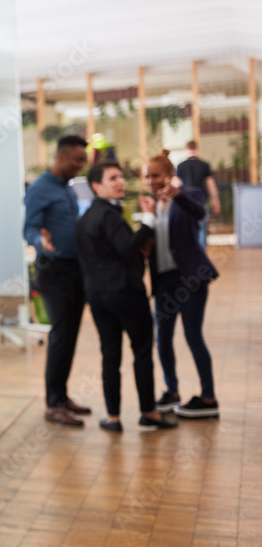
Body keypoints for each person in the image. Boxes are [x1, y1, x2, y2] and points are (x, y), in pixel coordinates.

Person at [76, 162, 177, 431]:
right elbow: (127, 245)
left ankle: (113, 417)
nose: (120, 182)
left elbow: (109, 253)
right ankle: (149, 413)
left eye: (120, 177)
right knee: (142, 352)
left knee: (110, 355)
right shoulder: (109, 215)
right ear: (97, 186)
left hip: (98, 297)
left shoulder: (86, 217)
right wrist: (148, 218)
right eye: (113, 178)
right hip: (126, 294)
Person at [144, 152, 220, 418]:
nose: (150, 181)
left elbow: (199, 213)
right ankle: (171, 391)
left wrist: (178, 195)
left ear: (168, 175)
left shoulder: (188, 193)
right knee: (162, 338)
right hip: (164, 280)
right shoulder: (153, 205)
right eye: (147, 176)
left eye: (155, 175)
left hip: (189, 278)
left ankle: (209, 397)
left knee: (192, 335)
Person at [23, 134, 92, 426]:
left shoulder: (66, 187)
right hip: (54, 270)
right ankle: (53, 404)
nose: (81, 166)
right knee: (61, 335)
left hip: (75, 269)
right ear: (61, 157)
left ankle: (62, 396)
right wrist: (41, 239)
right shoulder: (40, 188)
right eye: (77, 160)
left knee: (70, 334)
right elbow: (28, 229)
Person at [175, 140, 221, 248]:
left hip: (186, 202)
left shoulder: (180, 166)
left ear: (186, 150)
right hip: (201, 201)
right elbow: (210, 184)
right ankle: (202, 253)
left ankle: (190, 251)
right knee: (202, 227)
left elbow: (176, 184)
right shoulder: (204, 165)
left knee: (187, 227)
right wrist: (215, 199)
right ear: (197, 149)